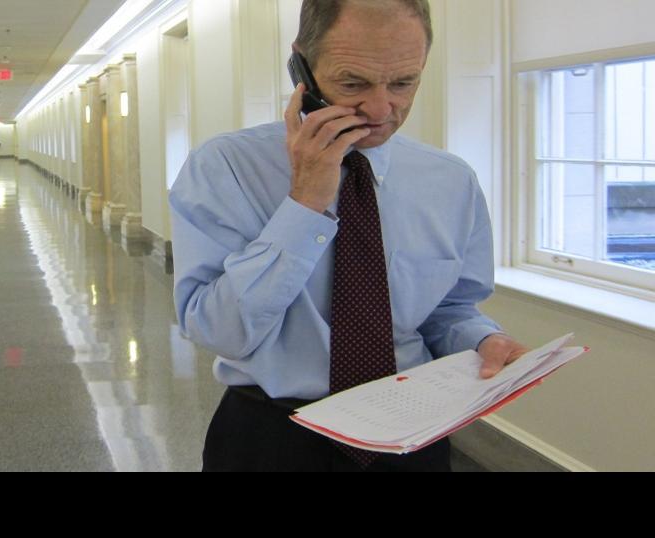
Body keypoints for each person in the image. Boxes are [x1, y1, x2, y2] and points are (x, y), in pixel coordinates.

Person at [170, 0, 528, 472]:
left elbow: (450, 309)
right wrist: (304, 203)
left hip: (411, 435)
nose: (381, 109)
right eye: (353, 83)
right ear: (301, 64)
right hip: (273, 436)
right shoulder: (225, 167)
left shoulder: (451, 181)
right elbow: (217, 330)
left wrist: (482, 339)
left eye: (403, 83)